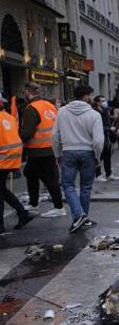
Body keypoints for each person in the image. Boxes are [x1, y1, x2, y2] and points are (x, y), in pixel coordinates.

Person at [53, 84, 105, 232]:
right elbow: (98, 140)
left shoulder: (62, 112)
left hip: (68, 151)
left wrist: (58, 154)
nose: (92, 98)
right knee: (86, 187)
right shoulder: (94, 115)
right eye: (91, 95)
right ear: (86, 96)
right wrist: (97, 156)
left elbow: (55, 136)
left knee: (68, 185)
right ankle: (82, 216)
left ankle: (79, 217)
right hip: (88, 152)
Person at [19, 82, 65, 218]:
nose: (23, 94)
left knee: (48, 178)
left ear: (28, 92)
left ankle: (58, 207)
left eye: (24, 92)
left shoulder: (31, 108)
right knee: (31, 174)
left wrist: (17, 138)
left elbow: (28, 132)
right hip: (50, 148)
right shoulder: (49, 105)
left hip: (38, 149)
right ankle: (34, 204)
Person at [0, 93, 33, 234]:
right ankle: (22, 213)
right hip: (12, 157)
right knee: (2, 189)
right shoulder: (8, 117)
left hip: (2, 158)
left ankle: (1, 224)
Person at [92, 95, 118, 181]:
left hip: (107, 136)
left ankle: (108, 173)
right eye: (102, 101)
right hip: (99, 136)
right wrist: (109, 128)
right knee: (99, 156)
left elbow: (108, 122)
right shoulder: (95, 112)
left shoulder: (105, 110)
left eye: (104, 100)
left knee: (107, 155)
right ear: (97, 102)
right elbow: (96, 126)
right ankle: (98, 174)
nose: (104, 102)